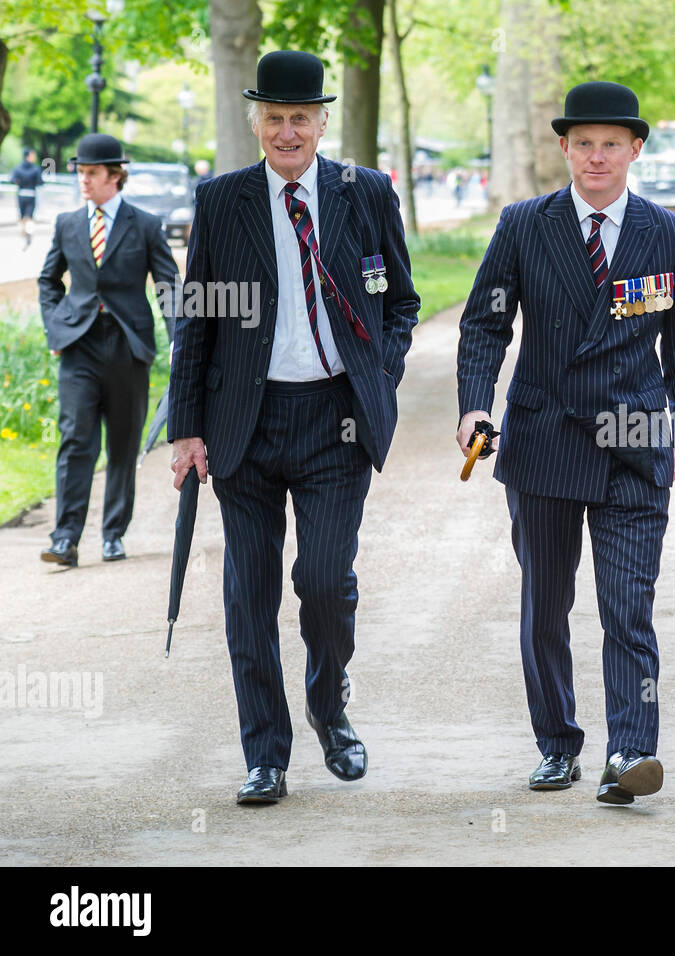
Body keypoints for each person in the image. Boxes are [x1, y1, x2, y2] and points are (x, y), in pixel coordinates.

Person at [168, 50, 420, 805]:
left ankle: (329, 707)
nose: (287, 132)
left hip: (335, 418)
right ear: (257, 123)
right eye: (274, 119)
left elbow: (401, 301)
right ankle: (265, 755)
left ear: (321, 122)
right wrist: (186, 429)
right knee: (248, 595)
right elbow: (197, 322)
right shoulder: (222, 201)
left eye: (299, 118)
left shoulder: (364, 192)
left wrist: (380, 372)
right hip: (243, 419)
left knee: (322, 582)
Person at [456, 80, 675, 805]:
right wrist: (476, 407)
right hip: (545, 439)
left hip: (634, 442)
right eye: (584, 144)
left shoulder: (668, 233)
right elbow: (484, 324)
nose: (598, 157)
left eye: (612, 144)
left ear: (635, 150)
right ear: (564, 148)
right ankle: (557, 743)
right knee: (546, 604)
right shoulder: (524, 225)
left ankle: (630, 751)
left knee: (628, 606)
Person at [37, 134, 179, 568]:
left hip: (127, 348)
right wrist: (56, 329)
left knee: (122, 444)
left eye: (92, 173)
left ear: (115, 176)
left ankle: (114, 534)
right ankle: (65, 539)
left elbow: (169, 285)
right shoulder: (67, 223)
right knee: (76, 441)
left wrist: (178, 339)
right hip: (78, 346)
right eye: (80, 173)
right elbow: (48, 281)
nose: (84, 181)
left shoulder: (146, 224)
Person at [10, 148, 43, 250]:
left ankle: (25, 232)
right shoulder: (36, 169)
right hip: (31, 194)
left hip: (21, 194)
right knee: (29, 216)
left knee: (23, 215)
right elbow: (40, 182)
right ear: (28, 156)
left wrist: (19, 182)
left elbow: (12, 180)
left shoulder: (17, 168)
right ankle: (28, 233)